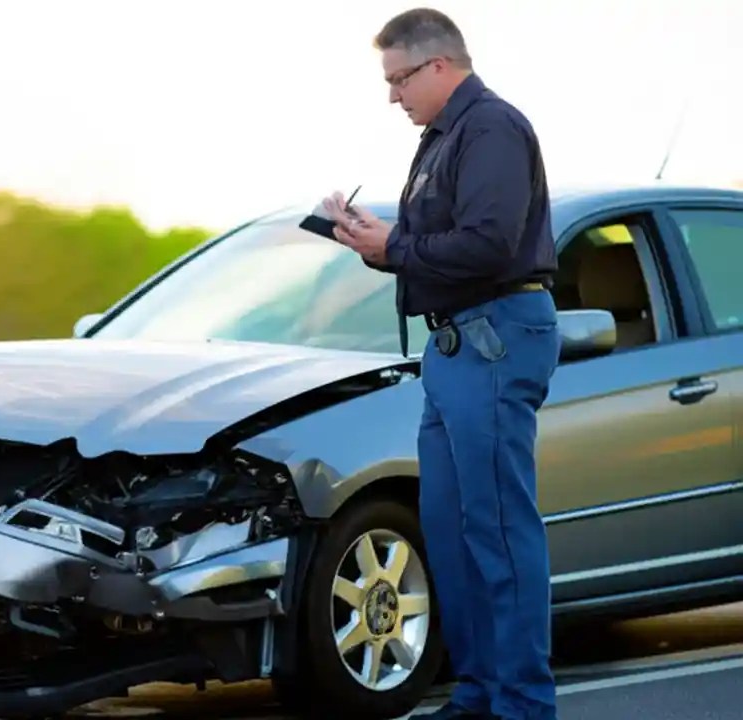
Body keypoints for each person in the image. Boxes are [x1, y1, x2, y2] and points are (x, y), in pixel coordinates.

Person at [321, 8, 560, 720]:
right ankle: (482, 694)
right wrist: (370, 239)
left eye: (399, 79)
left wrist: (393, 247)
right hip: (454, 346)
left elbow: (488, 244)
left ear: (438, 66)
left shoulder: (490, 128)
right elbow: (431, 243)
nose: (393, 95)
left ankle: (522, 704)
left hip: (494, 336)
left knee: (496, 529)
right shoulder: (440, 138)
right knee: (453, 531)